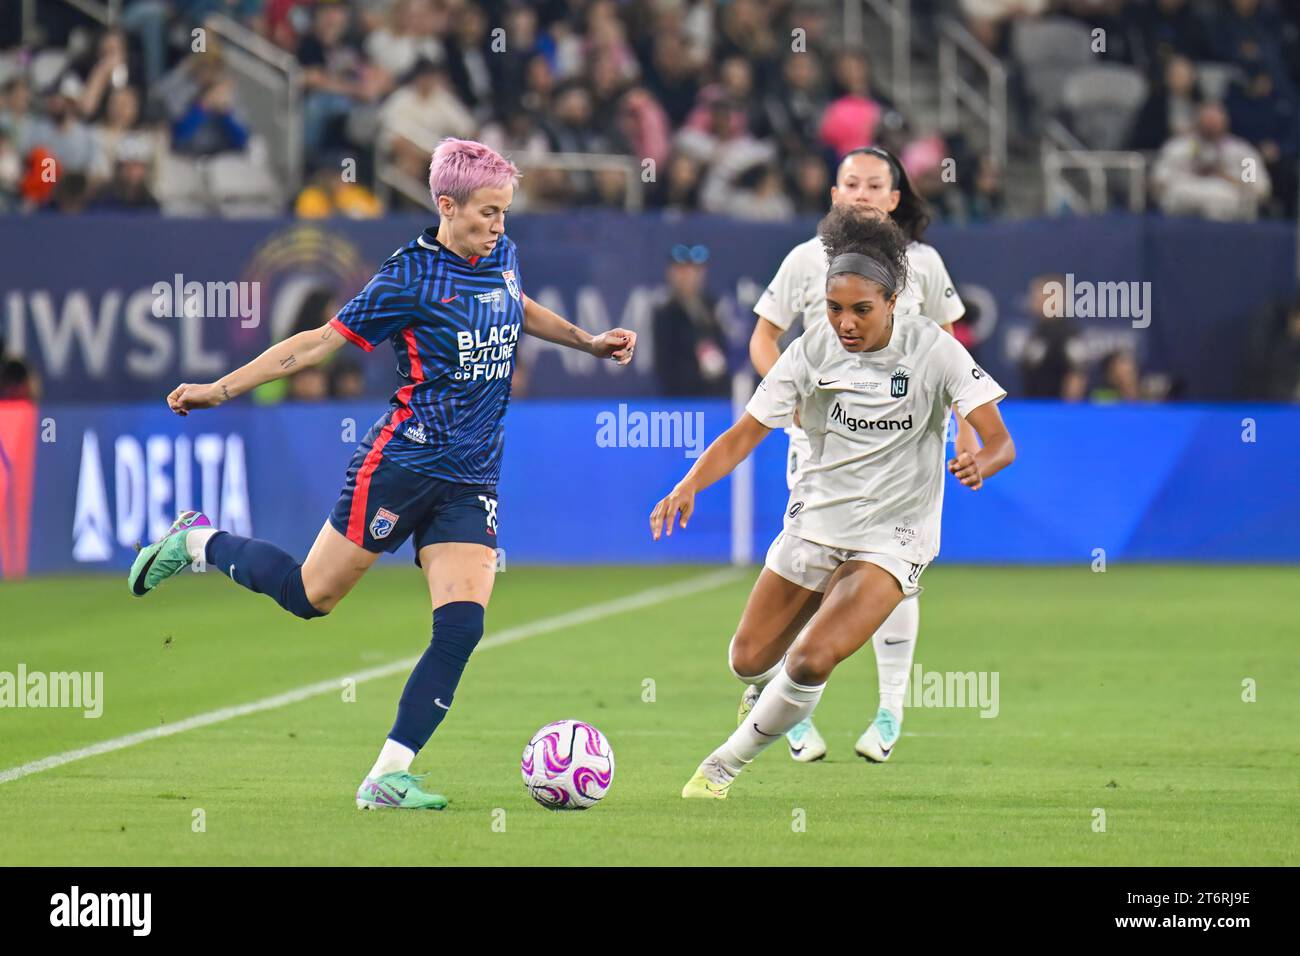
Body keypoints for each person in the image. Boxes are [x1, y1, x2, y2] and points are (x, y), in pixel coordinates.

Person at [128, 138, 637, 810]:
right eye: (487, 212)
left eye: (505, 212)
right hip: (399, 467)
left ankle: (387, 775)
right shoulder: (406, 279)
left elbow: (517, 307)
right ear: (446, 206)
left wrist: (587, 341)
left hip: (472, 478)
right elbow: (316, 344)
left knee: (461, 626)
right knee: (311, 597)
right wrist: (220, 389)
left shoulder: (501, 256)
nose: (499, 225)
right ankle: (194, 542)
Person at [650, 207, 1014, 799]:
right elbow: (745, 431)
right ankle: (771, 698)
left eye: (861, 309)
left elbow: (1000, 441)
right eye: (834, 307)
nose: (846, 322)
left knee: (812, 658)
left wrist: (981, 461)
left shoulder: (934, 351)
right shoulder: (812, 349)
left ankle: (720, 767)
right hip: (817, 522)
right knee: (747, 659)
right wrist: (688, 484)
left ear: (894, 301)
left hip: (894, 535)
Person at [747, 144, 978, 764]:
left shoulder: (923, 263)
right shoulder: (804, 260)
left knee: (893, 569)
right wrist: (787, 397)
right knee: (813, 564)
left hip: (905, 440)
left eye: (876, 185)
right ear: (833, 194)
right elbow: (764, 337)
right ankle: (789, 702)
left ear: (895, 198)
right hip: (826, 438)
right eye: (852, 183)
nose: (863, 195)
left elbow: (952, 350)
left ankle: (890, 708)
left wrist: (967, 425)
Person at [651, 243, 731, 397]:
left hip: (714, 398)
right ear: (672, 274)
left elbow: (724, 348)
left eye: (694, 270)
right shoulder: (666, 312)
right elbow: (664, 365)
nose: (688, 276)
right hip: (680, 401)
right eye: (682, 271)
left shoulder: (712, 306)